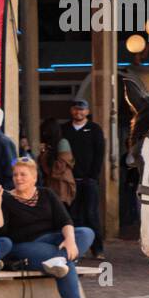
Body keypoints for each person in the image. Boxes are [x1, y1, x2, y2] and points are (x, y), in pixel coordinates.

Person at [0, 158, 100, 298]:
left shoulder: (47, 194)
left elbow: (65, 220)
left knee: (86, 233)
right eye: (15, 175)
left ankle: (61, 259)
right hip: (24, 246)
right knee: (66, 265)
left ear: (34, 177)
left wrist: (70, 240)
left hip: (51, 241)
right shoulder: (6, 198)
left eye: (23, 174)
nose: (18, 178)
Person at [61, 98, 106, 257]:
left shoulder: (94, 129)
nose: (78, 112)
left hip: (89, 180)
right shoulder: (64, 128)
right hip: (68, 181)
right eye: (75, 109)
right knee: (71, 215)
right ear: (71, 111)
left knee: (91, 214)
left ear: (87, 111)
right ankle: (75, 249)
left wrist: (93, 176)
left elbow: (100, 153)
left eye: (81, 109)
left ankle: (98, 249)